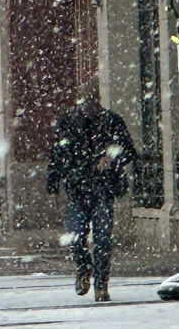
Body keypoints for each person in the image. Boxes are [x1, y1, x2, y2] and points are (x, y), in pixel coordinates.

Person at [46, 83, 137, 302]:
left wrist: (111, 158)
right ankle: (83, 268)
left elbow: (127, 150)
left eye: (91, 102)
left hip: (103, 189)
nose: (88, 108)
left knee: (103, 239)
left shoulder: (111, 121)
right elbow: (58, 156)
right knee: (76, 237)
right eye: (84, 103)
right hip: (77, 190)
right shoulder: (67, 123)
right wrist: (53, 184)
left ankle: (101, 282)